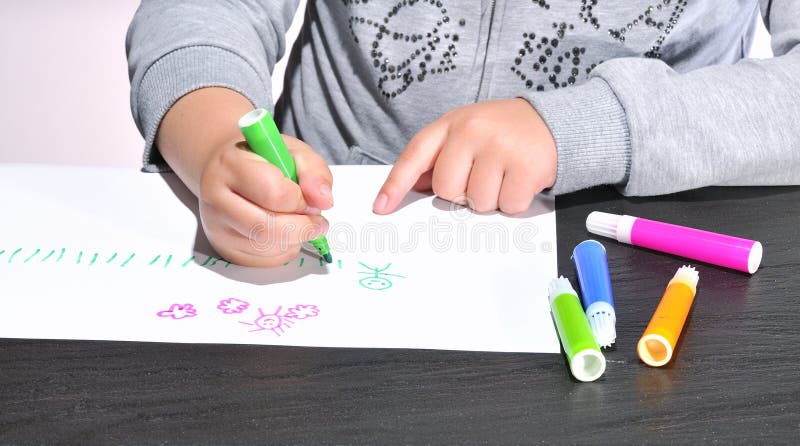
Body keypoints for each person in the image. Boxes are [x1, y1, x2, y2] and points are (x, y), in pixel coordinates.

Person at [127, 0, 799, 267]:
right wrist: (216, 138)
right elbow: (204, 11)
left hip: (639, 251)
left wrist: (593, 127)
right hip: (315, 237)